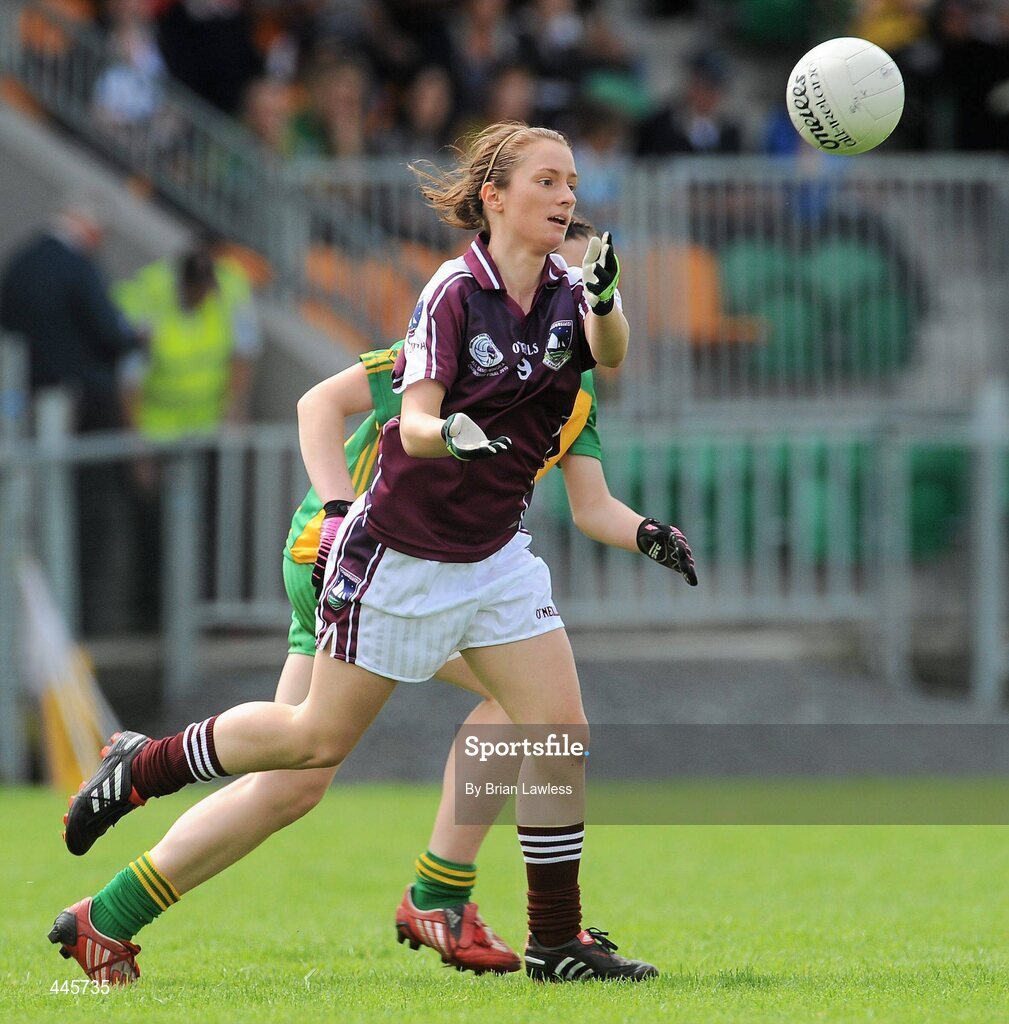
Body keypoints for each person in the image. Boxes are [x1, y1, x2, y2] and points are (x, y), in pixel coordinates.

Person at [53, 123, 697, 985]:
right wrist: (410, 460)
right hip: (378, 553)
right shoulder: (453, 296)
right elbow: (389, 412)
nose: (568, 198)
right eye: (548, 181)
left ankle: (547, 937)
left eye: (573, 184)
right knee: (309, 744)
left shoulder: (567, 324)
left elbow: (603, 387)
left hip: (492, 560)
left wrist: (610, 311)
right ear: (495, 198)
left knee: (538, 726)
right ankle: (153, 763)